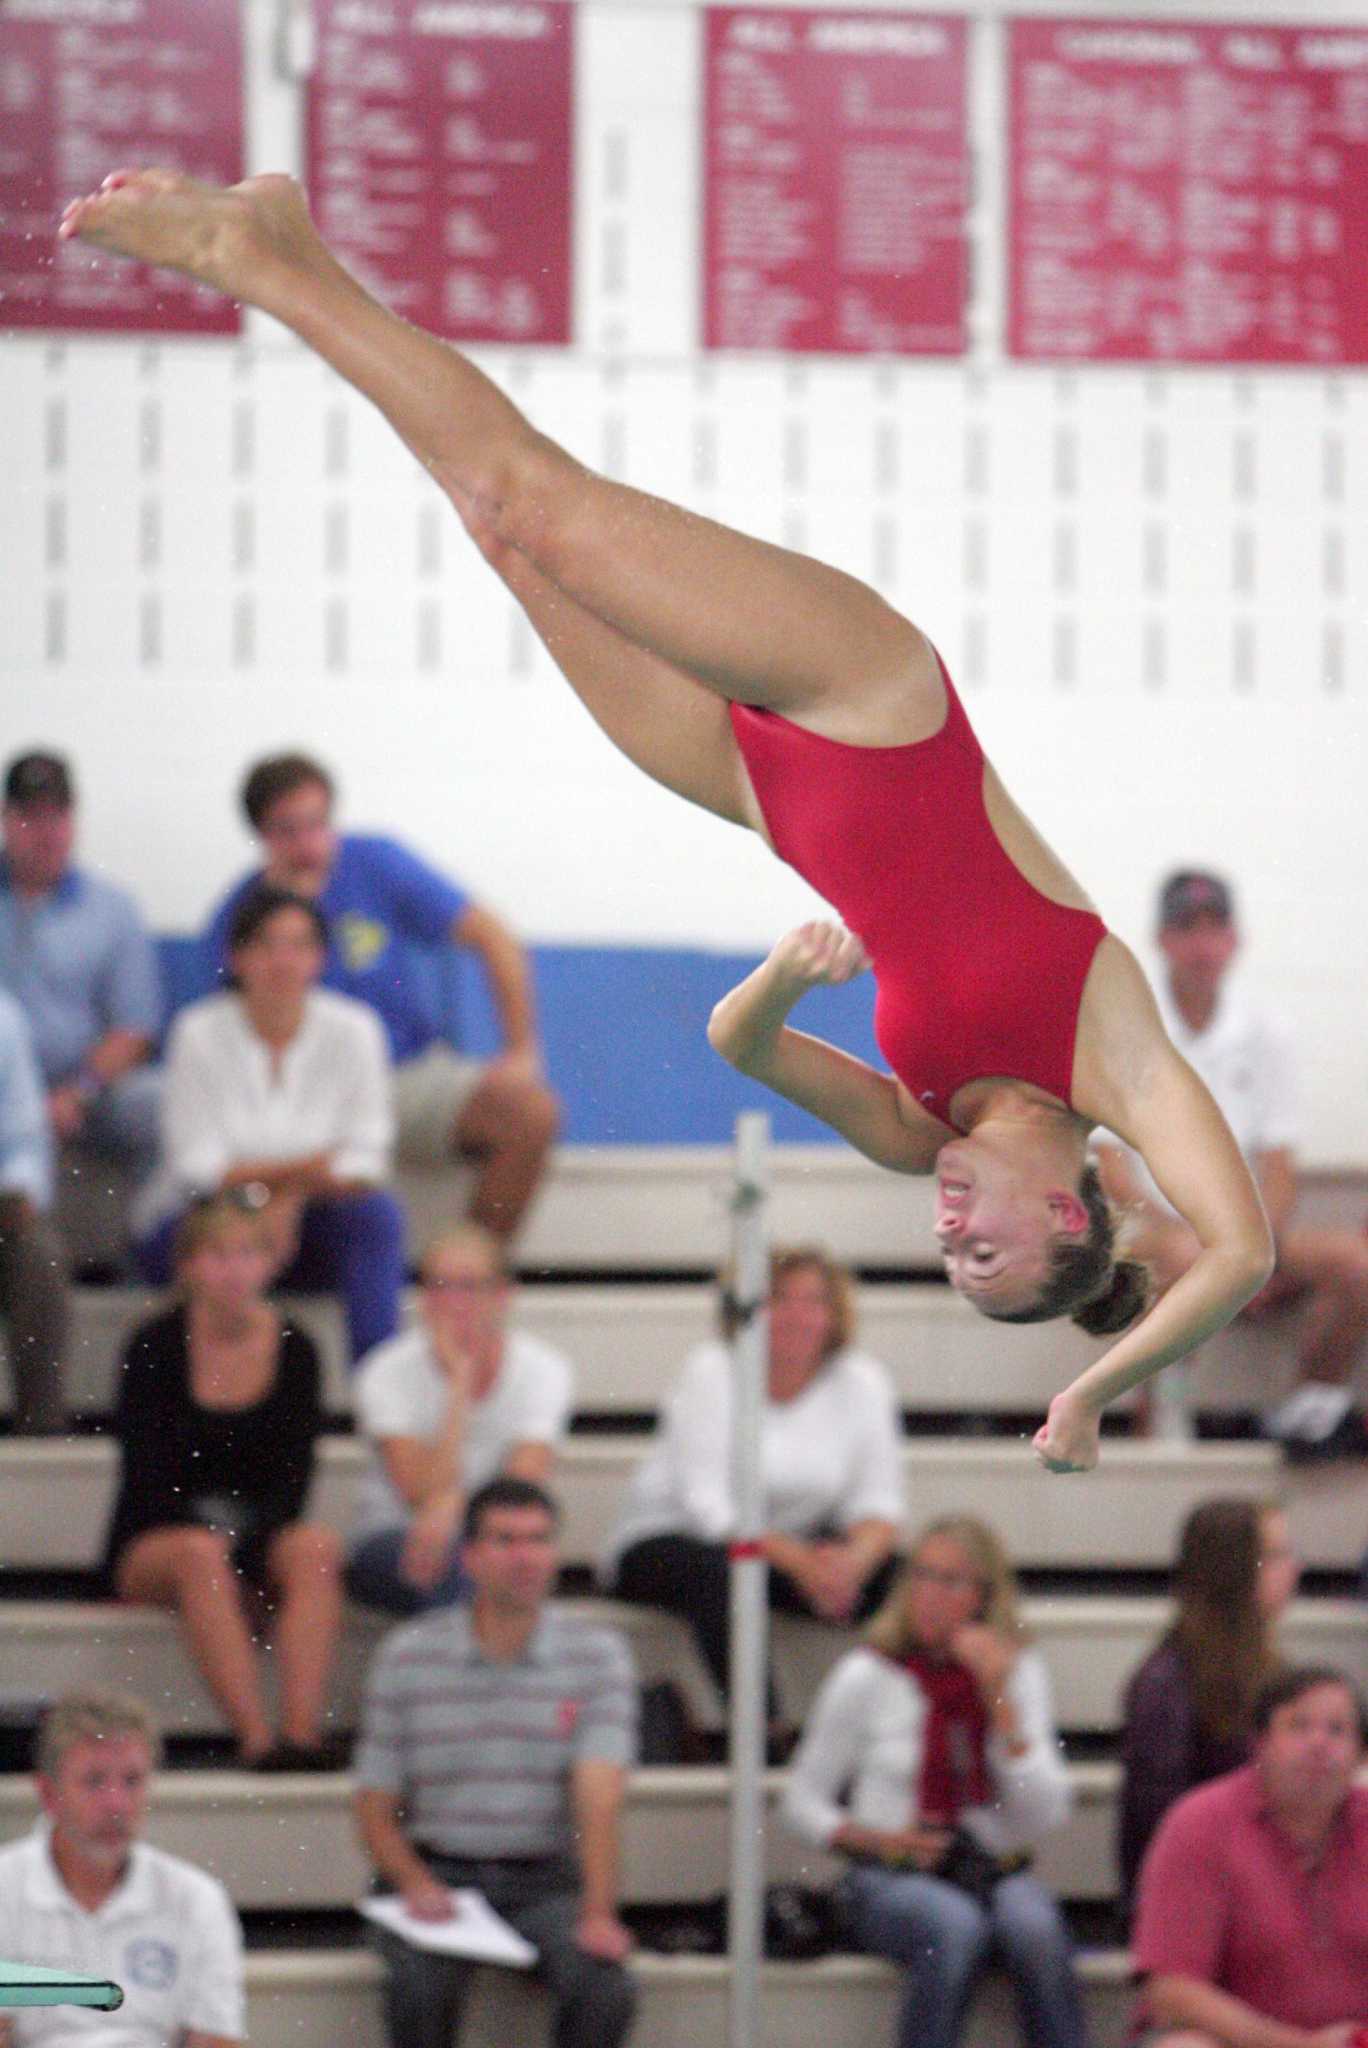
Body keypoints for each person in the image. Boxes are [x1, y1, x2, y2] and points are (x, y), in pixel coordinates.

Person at [58, 170, 1277, 1471]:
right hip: (865, 697)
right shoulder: (1115, 1058)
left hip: (754, 789)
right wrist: (1090, 1394)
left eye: (951, 1261)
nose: (949, 1234)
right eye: (984, 1253)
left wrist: (782, 980)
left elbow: (737, 1043)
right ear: (1068, 1214)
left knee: (500, 534)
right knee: (535, 499)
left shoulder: (913, 1130)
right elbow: (1243, 1252)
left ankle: (287, 250)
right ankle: (249, 255)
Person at [202, 752, 559, 1245]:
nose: (308, 845)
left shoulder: (375, 862)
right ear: (260, 835)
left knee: (531, 1113)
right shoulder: (241, 918)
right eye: (288, 830)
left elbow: (494, 936)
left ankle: (469, 1267)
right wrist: (291, 918)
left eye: (318, 823)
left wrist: (521, 1051)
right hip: (311, 1096)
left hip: (404, 1074)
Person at [352, 1476, 638, 2048]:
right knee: (418, 1987)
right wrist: (414, 1883)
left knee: (605, 1985)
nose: (525, 1557)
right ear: (470, 1556)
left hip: (546, 1881)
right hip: (437, 1868)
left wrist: (598, 1911)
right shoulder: (408, 1655)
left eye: (539, 1540)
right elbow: (373, 1804)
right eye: (505, 1540)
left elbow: (598, 1797)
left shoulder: (596, 1657)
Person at [783, 1515, 1084, 2048]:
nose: (929, 1595)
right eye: (920, 1576)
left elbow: (1047, 1812)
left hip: (988, 1867)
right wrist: (878, 1840)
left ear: (984, 1597)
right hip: (889, 1871)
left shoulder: (1017, 1672)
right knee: (952, 1926)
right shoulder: (869, 1673)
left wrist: (999, 1702)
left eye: (950, 1581)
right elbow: (801, 1801)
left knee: (1035, 1929)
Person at [1096, 869, 1368, 1460]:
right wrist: (1199, 1239)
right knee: (1184, 1257)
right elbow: (1112, 1167)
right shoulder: (1129, 1028)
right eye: (1187, 930)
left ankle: (1311, 1408)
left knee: (1355, 1263)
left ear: (1234, 941)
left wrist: (1253, 1249)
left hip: (1243, 1233)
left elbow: (1279, 1166)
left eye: (1214, 930)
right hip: (1159, 1232)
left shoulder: (1266, 1034)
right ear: (1163, 940)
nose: (1202, 946)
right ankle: (1165, 1410)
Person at [604, 1245, 903, 1728]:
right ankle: (762, 1733)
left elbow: (879, 1503)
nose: (796, 1315)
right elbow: (708, 1508)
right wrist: (801, 1563)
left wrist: (852, 1564)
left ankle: (896, 1732)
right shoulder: (712, 1369)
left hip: (781, 1555)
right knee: (724, 1576)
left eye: (814, 1301)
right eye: (778, 1298)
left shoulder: (862, 1381)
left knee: (907, 1578)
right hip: (675, 1543)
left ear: (835, 1314)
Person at [105, 1193, 344, 1769]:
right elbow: (147, 1479)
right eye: (218, 1255)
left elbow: (293, 1482)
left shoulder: (297, 1350)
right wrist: (225, 1558)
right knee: (197, 1553)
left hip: (257, 1535)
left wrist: (243, 1556)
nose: (234, 1270)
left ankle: (301, 1733)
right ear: (189, 1265)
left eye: (247, 1253)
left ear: (270, 1262)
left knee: (316, 1548)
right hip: (160, 1536)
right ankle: (255, 1739)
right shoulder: (153, 1346)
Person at [134, 884, 405, 1364]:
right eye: (266, 945)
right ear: (236, 957)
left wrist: (289, 1197)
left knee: (375, 1218)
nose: (283, 962)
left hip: (312, 1228)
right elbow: (196, 1165)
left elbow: (367, 1156)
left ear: (320, 958)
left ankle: (377, 1385)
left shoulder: (356, 1030)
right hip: (214, 1219)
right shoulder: (198, 1032)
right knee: (196, 1246)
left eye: (299, 946)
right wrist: (280, 1191)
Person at [1130, 1664, 1368, 2046]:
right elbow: (1171, 1990)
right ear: (1260, 1744)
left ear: (1360, 1755)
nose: (1319, 1743)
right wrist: (1296, 2045)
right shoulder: (1200, 1823)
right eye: (1299, 1726)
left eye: (1337, 1730)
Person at [347, 1222, 573, 1616]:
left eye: (468, 1287)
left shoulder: (544, 1369)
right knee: (448, 1563)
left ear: (502, 1294)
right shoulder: (384, 1371)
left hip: (492, 1536)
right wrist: (458, 1389)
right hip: (394, 1532)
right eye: (438, 1286)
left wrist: (451, 1510)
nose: (452, 1301)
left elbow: (517, 1491)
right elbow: (417, 1493)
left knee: (484, 1560)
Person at [0, 1687, 244, 2048]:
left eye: (132, 1781)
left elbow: (216, 2040)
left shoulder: (196, 1899)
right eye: (94, 1781)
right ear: (48, 1794)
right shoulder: (5, 1888)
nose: (116, 1804)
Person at [1117, 1497, 1298, 1927]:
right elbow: (1158, 1829)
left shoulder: (1272, 1670)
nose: (1294, 1568)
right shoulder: (1167, 1684)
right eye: (1275, 1555)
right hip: (1202, 1907)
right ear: (1233, 1570)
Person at [0, 750, 162, 1195]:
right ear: (6, 819)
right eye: (31, 817)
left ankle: (152, 1235)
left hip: (84, 1092)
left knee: (156, 1102)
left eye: (58, 816)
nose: (46, 832)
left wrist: (79, 1091)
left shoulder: (113, 909)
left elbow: (135, 1029)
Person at [0, 990, 69, 1434]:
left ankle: (40, 1433)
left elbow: (25, 1142)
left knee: (39, 1253)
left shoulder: (3, 1018)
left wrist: (17, 1193)